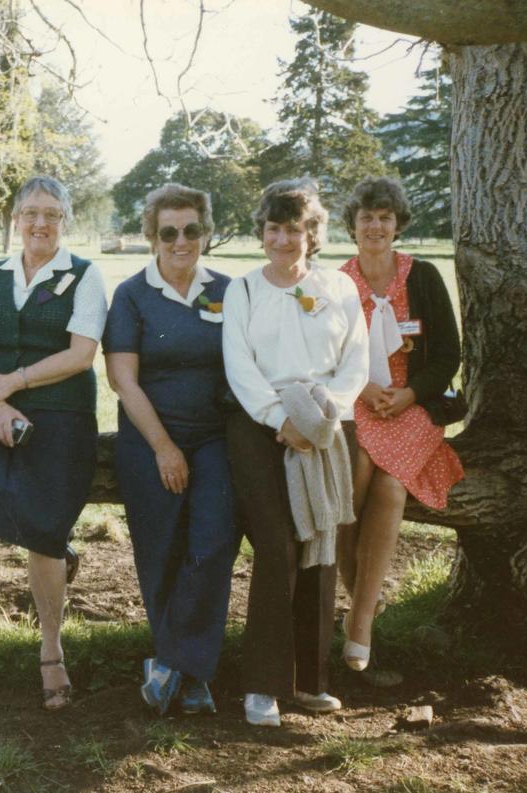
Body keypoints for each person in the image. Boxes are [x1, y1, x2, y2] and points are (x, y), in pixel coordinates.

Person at [0, 175, 107, 711]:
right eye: (31, 213)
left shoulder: (84, 276)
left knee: (41, 526)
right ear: (14, 219)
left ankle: (51, 649)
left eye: (52, 215)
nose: (41, 224)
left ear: (65, 221)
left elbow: (80, 355)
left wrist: (11, 385)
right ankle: (58, 549)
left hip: (61, 411)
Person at [221, 178, 369, 727]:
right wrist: (282, 420)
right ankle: (262, 685)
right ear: (262, 232)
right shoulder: (243, 290)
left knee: (321, 546)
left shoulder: (340, 287)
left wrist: (320, 416)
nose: (284, 240)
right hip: (260, 427)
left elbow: (355, 361)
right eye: (274, 228)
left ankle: (311, 681)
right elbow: (239, 366)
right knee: (279, 546)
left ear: (313, 234)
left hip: (327, 427)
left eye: (295, 229)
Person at [103, 184, 239, 716]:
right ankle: (192, 676)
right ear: (151, 237)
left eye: (192, 230)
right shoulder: (132, 295)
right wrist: (162, 447)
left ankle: (171, 664)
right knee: (160, 550)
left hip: (214, 437)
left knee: (213, 541)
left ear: (205, 233)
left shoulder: (229, 290)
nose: (181, 242)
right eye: (168, 232)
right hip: (149, 437)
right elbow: (122, 379)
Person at [336, 177, 464, 679]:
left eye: (385, 217)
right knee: (358, 471)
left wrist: (410, 394)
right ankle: (361, 597)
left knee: (389, 485)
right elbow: (328, 355)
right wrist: (366, 391)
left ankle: (360, 617)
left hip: (413, 405)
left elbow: (449, 354)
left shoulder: (423, 276)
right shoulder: (337, 282)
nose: (376, 226)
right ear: (353, 225)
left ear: (398, 224)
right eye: (367, 217)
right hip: (355, 399)